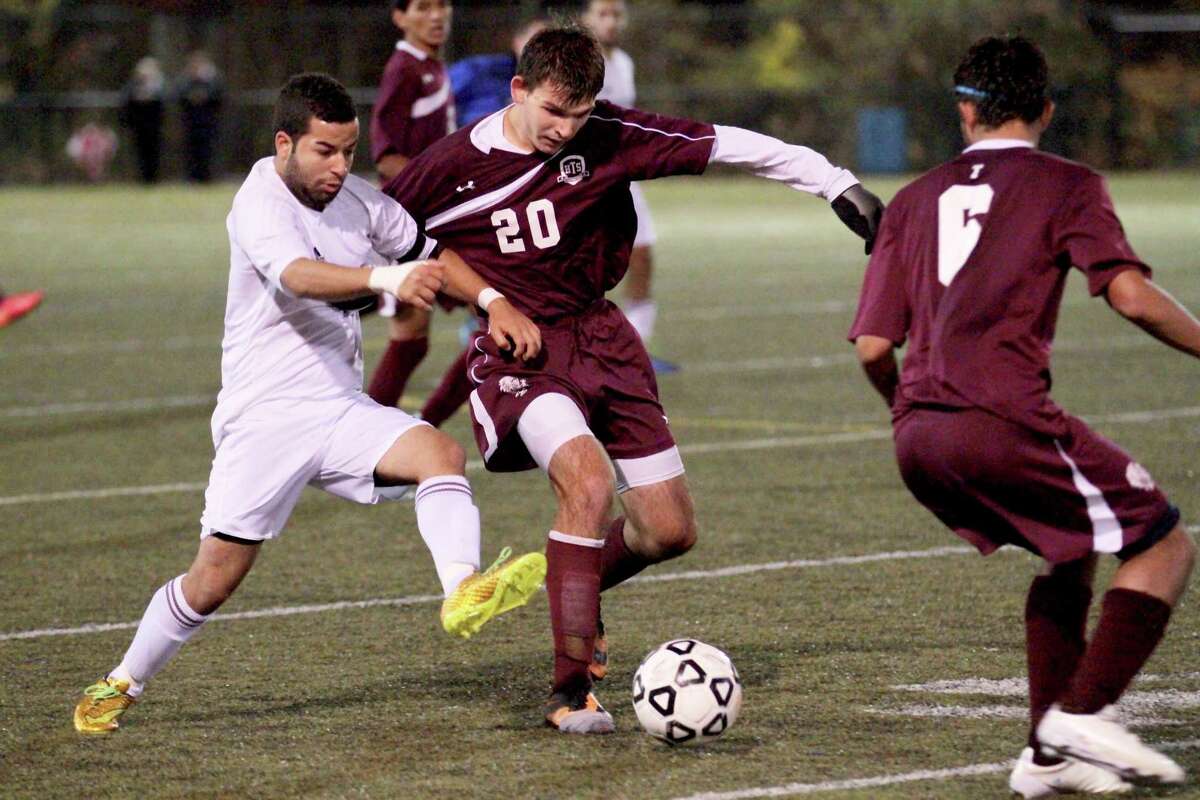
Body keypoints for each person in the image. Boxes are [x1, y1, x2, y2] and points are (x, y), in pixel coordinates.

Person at [383, 25, 883, 733]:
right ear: (518, 90)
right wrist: (431, 298)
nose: (565, 129)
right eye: (553, 111)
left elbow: (727, 143)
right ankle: (568, 692)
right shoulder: (450, 167)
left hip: (603, 339)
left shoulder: (608, 135)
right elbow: (380, 228)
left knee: (668, 530)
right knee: (586, 482)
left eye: (580, 114)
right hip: (520, 356)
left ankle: (576, 588)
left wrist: (835, 184)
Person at [72, 73, 547, 736]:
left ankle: (463, 590)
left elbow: (433, 253)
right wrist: (387, 279)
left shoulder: (358, 202)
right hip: (264, 420)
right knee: (212, 580)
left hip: (337, 407)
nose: (339, 166)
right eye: (325, 151)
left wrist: (494, 302)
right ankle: (120, 682)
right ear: (285, 143)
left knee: (440, 453)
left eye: (348, 151)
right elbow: (298, 275)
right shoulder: (258, 202)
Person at [849, 35, 1199, 796]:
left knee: (1069, 549)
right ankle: (1081, 713)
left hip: (917, 434)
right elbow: (1131, 295)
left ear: (965, 111)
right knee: (1164, 546)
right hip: (999, 417)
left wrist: (908, 413)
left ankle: (1046, 758)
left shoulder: (912, 199)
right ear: (1044, 109)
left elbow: (875, 347)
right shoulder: (1067, 184)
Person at [367, 0, 475, 429]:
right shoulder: (404, 69)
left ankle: (418, 425)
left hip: (442, 220)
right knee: (415, 339)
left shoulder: (432, 65)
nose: (437, 15)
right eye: (424, 7)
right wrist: (437, 191)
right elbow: (387, 156)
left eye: (444, 5)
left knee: (490, 320)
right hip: (414, 225)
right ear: (399, 16)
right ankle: (376, 434)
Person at [583, 0, 673, 373]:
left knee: (643, 253)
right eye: (602, 14)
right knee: (584, 264)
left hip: (621, 173)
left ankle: (637, 347)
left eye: (616, 14)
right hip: (584, 176)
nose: (610, 22)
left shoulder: (625, 63)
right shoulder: (579, 62)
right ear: (586, 18)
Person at [177, 51, 223, 182]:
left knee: (208, 151)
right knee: (190, 152)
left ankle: (207, 177)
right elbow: (179, 95)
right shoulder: (186, 79)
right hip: (191, 123)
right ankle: (191, 178)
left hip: (208, 122)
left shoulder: (212, 79)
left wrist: (205, 95)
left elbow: (219, 96)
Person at [121, 57, 165, 184]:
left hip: (154, 125)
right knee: (139, 152)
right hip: (138, 124)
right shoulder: (133, 84)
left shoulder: (158, 84)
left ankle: (154, 179)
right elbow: (126, 98)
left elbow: (164, 100)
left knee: (154, 152)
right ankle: (141, 179)